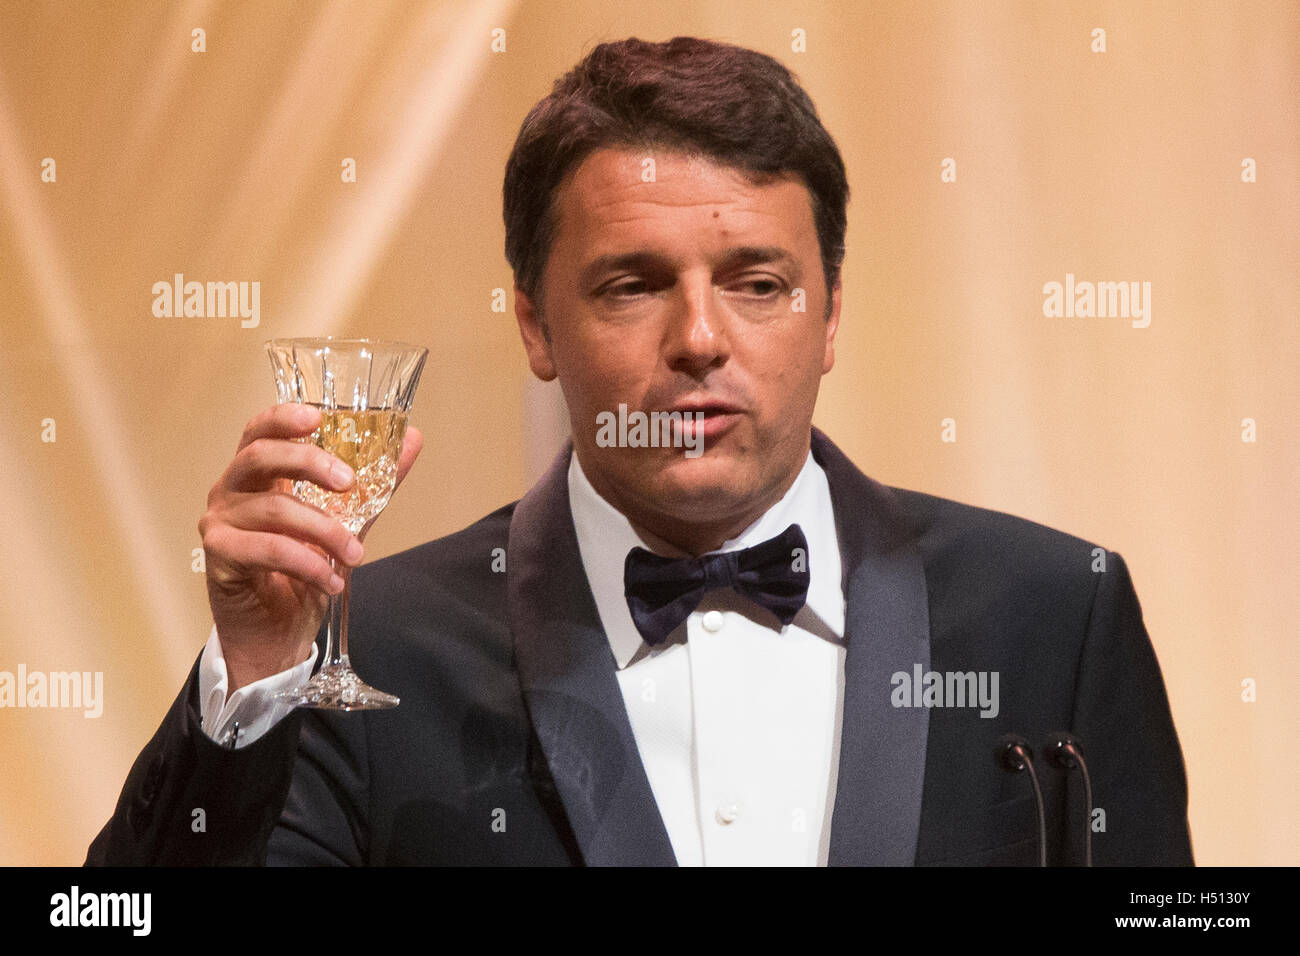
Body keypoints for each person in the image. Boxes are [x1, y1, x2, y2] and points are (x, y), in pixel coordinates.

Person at [87, 36, 1192, 866]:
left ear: (833, 312)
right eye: (633, 284)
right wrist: (254, 681)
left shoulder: (1055, 612)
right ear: (533, 324)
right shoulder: (365, 654)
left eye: (758, 284)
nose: (701, 340)